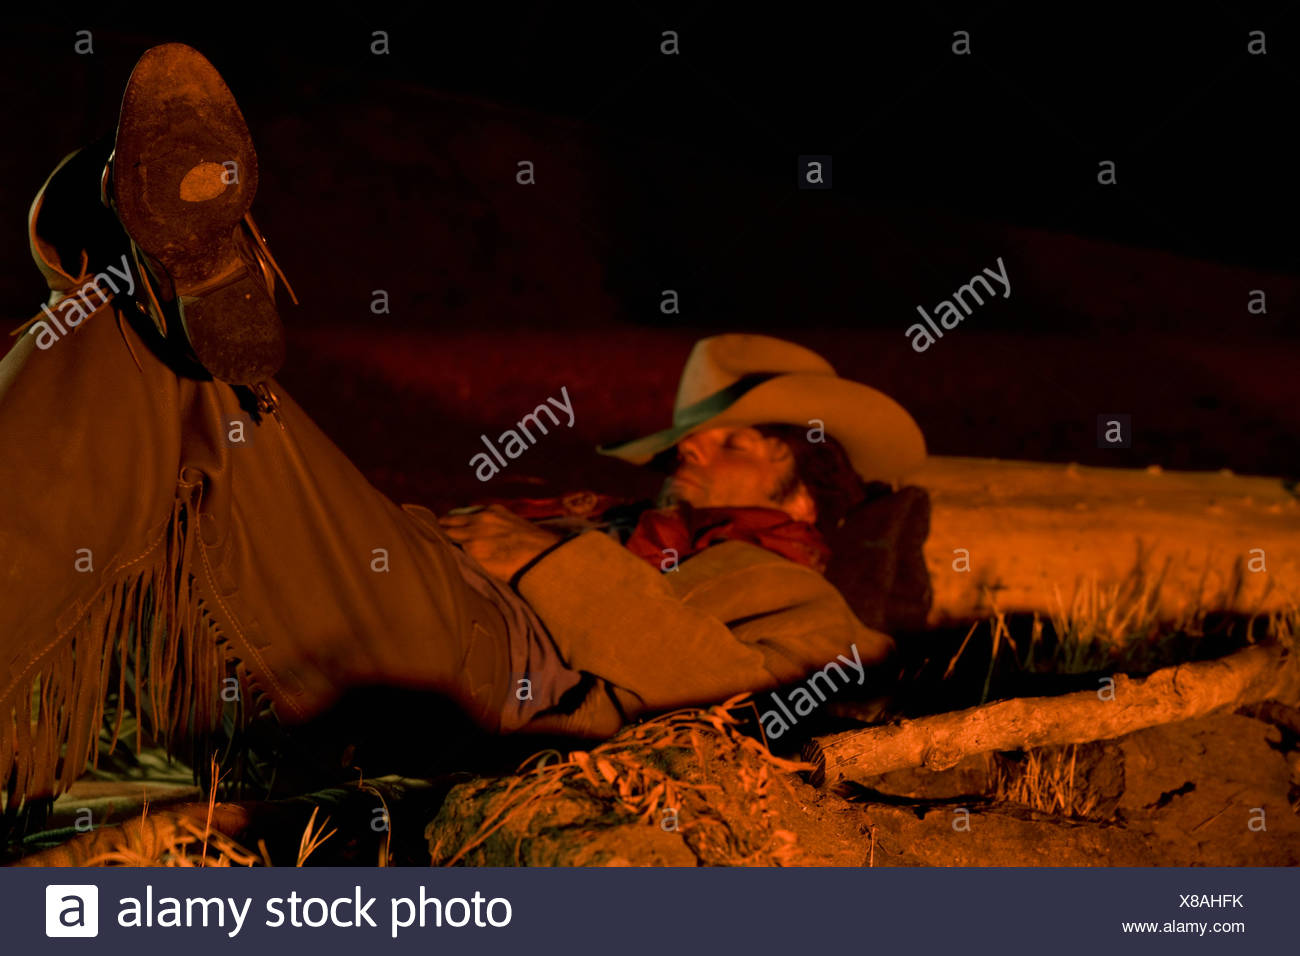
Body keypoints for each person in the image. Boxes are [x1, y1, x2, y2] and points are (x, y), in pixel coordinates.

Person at [0, 44, 928, 815]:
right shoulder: (609, 516)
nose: (692, 444)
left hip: (507, 673)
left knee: (166, 355)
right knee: (146, 352)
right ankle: (156, 254)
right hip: (411, 591)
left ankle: (133, 246)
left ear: (803, 487)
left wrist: (544, 561)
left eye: (734, 440)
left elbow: (743, 716)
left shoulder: (806, 600)